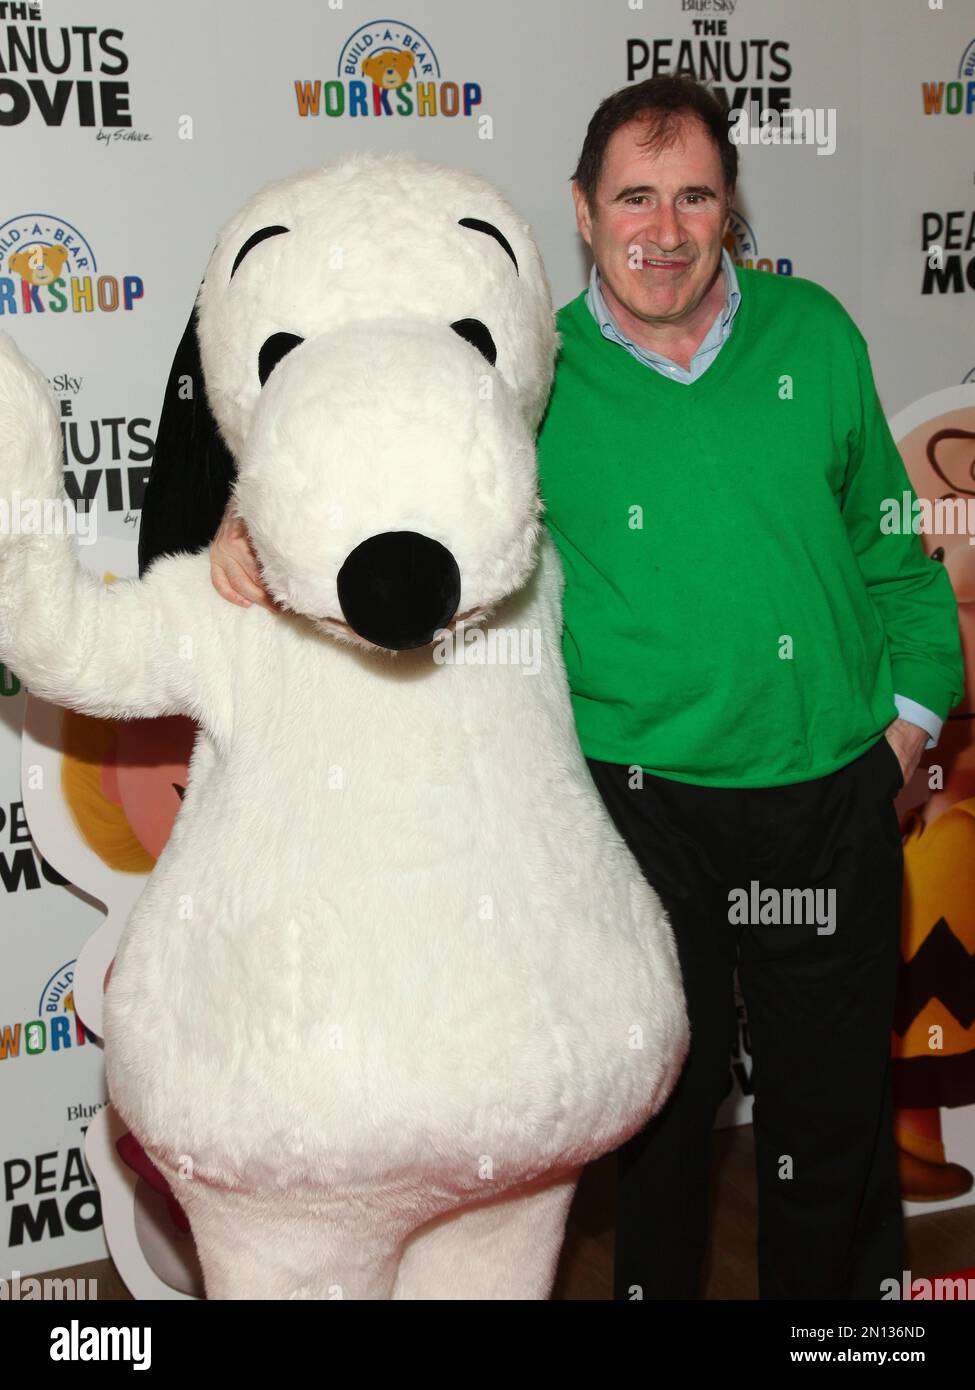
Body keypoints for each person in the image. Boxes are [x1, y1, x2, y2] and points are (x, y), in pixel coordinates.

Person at [206, 76, 964, 1300]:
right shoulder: (527, 378)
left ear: (730, 208)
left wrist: (907, 734)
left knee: (832, 1139)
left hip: (829, 798)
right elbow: (405, 517)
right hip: (637, 812)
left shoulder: (813, 334)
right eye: (635, 198)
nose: (664, 231)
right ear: (581, 210)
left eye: (695, 197)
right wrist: (246, 538)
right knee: (652, 1137)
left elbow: (891, 551)